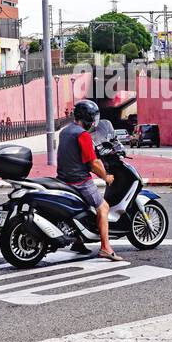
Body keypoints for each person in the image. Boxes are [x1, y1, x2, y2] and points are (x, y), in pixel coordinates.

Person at [56, 99, 117, 260]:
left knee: (79, 210)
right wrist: (106, 177)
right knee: (103, 207)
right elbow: (94, 163)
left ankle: (78, 242)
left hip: (63, 179)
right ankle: (105, 248)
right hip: (79, 181)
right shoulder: (82, 134)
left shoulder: (65, 131)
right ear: (88, 118)